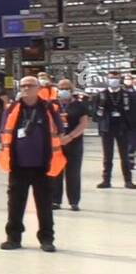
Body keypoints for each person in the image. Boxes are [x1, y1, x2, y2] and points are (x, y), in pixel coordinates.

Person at [0, 75, 65, 252]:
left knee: (44, 205)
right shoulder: (12, 108)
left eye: (30, 85)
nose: (26, 88)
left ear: (38, 88)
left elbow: (60, 130)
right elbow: (3, 131)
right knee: (15, 204)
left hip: (43, 165)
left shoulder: (49, 108)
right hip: (18, 165)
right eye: (23, 85)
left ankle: (46, 239)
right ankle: (13, 238)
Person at [52, 79, 89, 211]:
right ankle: (55, 200)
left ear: (71, 90)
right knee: (56, 172)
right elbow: (48, 122)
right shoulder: (53, 105)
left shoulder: (80, 105)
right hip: (56, 143)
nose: (64, 90)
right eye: (61, 88)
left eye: (66, 88)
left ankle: (74, 201)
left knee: (73, 173)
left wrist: (70, 136)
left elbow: (83, 123)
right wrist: (57, 137)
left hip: (74, 143)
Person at [96, 70, 135, 188]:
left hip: (122, 128)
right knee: (107, 156)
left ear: (120, 80)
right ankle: (106, 180)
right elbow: (95, 113)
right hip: (107, 128)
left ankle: (128, 180)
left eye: (116, 78)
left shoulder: (127, 95)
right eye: (111, 78)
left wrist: (131, 127)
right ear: (107, 80)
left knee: (125, 156)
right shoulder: (101, 95)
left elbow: (133, 112)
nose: (114, 80)